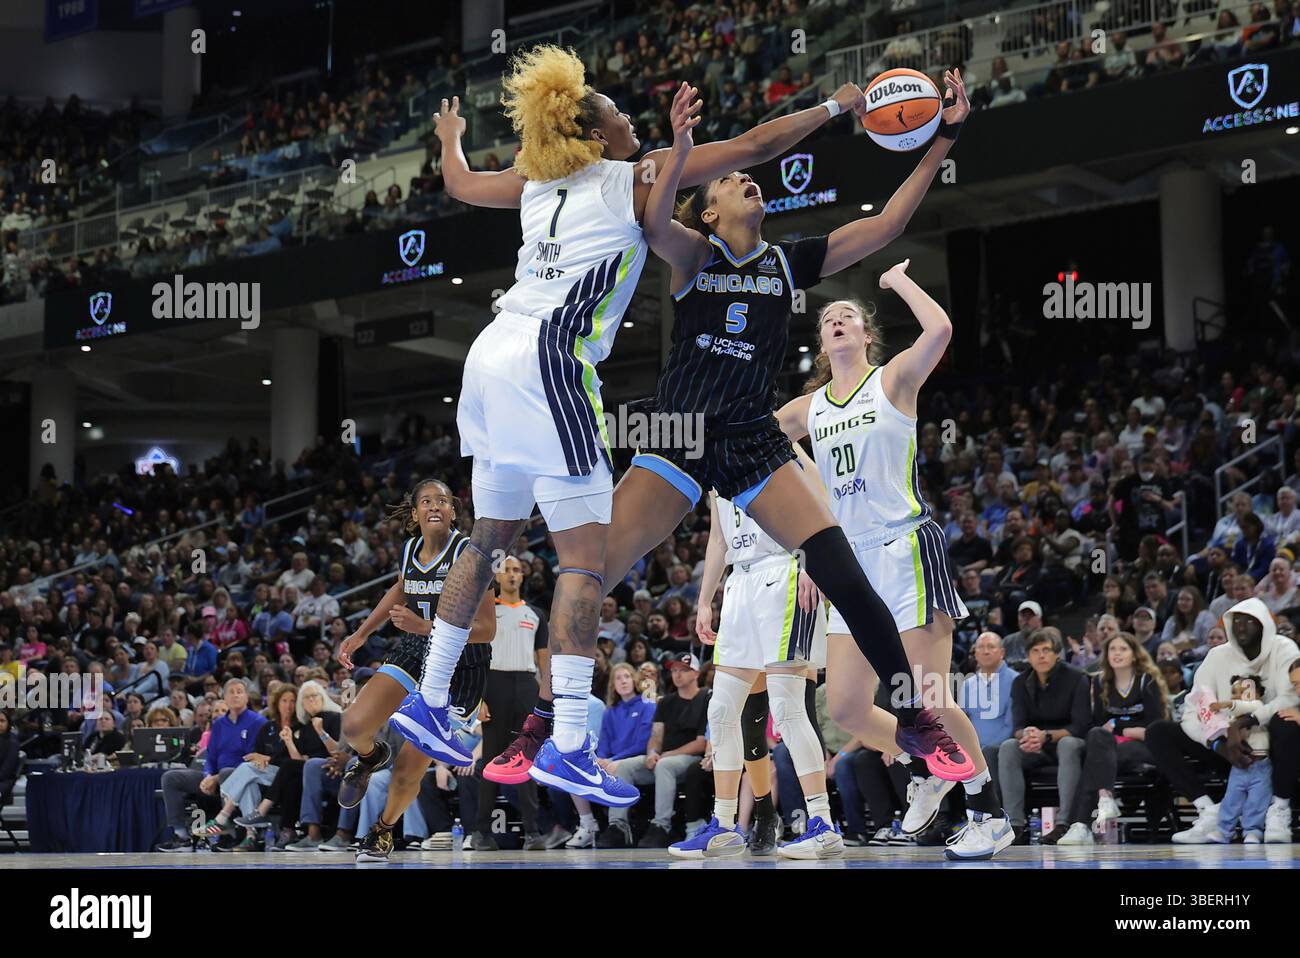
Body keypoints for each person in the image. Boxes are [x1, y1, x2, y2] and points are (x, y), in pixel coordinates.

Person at [392, 44, 881, 807]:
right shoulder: (634, 176)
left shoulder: (535, 180)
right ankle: (572, 744)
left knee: (489, 538)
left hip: (488, 359)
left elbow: (458, 184)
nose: (627, 119)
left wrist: (450, 138)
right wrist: (835, 107)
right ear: (598, 136)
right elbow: (755, 146)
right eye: (617, 113)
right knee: (587, 561)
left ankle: (431, 700)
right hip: (550, 360)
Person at [606, 79, 977, 817]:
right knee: (595, 567)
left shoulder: (787, 263)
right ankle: (548, 728)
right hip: (677, 431)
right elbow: (652, 225)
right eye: (732, 180)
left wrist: (942, 139)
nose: (748, 177)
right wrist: (680, 146)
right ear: (709, 210)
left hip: (747, 437)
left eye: (749, 175)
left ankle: (913, 715)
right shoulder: (694, 255)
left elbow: (888, 225)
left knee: (842, 571)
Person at [775, 261, 1008, 860]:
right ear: (822, 342)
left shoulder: (893, 381)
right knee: (849, 706)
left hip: (905, 548)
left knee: (927, 693)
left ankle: (988, 811)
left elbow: (939, 331)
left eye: (846, 315)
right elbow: (757, 439)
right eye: (828, 318)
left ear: (866, 335)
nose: (836, 321)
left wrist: (898, 281)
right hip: (847, 564)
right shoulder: (809, 409)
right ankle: (924, 763)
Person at [332, 478, 496, 863]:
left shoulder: (471, 554)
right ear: (415, 512)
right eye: (426, 500)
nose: (434, 505)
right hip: (416, 649)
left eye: (442, 500)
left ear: (454, 511)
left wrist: (424, 626)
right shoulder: (410, 550)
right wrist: (360, 634)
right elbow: (401, 588)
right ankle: (372, 757)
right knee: (354, 726)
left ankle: (383, 831)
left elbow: (488, 630)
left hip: (461, 666)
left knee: (409, 769)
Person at [669, 492, 839, 859]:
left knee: (788, 709)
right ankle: (726, 827)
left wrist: (816, 563)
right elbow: (718, 538)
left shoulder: (777, 445)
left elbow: (819, 501)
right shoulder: (716, 473)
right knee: (721, 711)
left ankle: (823, 824)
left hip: (785, 574)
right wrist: (704, 600)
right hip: (739, 585)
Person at [1148, 597, 1298, 844]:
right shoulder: (1217, 656)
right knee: (1158, 732)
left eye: (1248, 621)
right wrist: (1219, 742)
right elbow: (1193, 709)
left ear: (1264, 625)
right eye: (1236, 621)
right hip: (1228, 749)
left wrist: (1243, 722)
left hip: (1272, 747)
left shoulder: (1285, 648)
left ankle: (1279, 810)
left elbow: (1289, 699)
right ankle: (1208, 811)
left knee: (1287, 721)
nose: (1240, 627)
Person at [1053, 633, 1169, 845]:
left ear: (1134, 655)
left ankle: (1080, 825)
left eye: (1123, 649)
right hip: (1110, 747)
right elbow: (1099, 725)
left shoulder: (1146, 680)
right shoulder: (1099, 681)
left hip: (1145, 747)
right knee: (1097, 738)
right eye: (1113, 649)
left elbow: (1155, 727)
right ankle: (1104, 798)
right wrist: (1122, 728)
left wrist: (1120, 727)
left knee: (1094, 760)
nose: (1117, 653)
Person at [470, 557, 549, 851]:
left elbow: (544, 662)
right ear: (497, 577)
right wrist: (477, 698)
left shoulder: (536, 614)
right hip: (494, 685)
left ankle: (532, 832)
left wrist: (545, 698)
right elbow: (474, 660)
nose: (513, 574)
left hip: (527, 684)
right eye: (507, 569)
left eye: (517, 570)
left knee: (526, 759)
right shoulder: (486, 611)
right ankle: (481, 832)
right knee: (491, 759)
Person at [599, 652, 710, 847]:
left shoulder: (705, 698)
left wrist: (667, 755)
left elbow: (701, 742)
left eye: (683, 670)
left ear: (696, 673)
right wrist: (652, 752)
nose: (677, 675)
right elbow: (656, 735)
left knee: (665, 765)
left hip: (691, 758)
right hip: (663, 759)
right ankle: (618, 826)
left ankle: (661, 826)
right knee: (624, 767)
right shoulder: (666, 702)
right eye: (674, 670)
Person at [998, 628, 1090, 845]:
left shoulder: (1077, 679)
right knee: (1008, 747)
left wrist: (1045, 736)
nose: (1041, 655)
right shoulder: (1021, 682)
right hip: (1036, 745)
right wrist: (1028, 735)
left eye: (1046, 650)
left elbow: (1080, 726)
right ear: (1028, 656)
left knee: (1067, 744)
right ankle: (1015, 825)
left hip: (1068, 743)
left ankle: (1064, 823)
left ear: (1057, 654)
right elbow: (1018, 726)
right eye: (1035, 651)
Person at [156, 679, 267, 852]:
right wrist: (208, 775)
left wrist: (215, 778)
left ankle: (227, 834)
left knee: (226, 772)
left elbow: (252, 760)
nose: (236, 695)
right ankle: (181, 836)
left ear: (246, 697)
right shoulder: (219, 724)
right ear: (225, 697)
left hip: (242, 776)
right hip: (216, 775)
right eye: (231, 692)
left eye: (240, 691)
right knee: (170, 777)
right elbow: (211, 756)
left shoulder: (257, 722)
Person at [958, 631, 1018, 794]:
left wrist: (983, 749)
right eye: (981, 647)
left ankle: (994, 812)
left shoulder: (1015, 680)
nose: (985, 651)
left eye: (991, 647)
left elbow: (1011, 724)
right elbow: (961, 720)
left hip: (1000, 747)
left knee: (989, 755)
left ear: (1002, 653)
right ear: (975, 653)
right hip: (973, 748)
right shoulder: (968, 684)